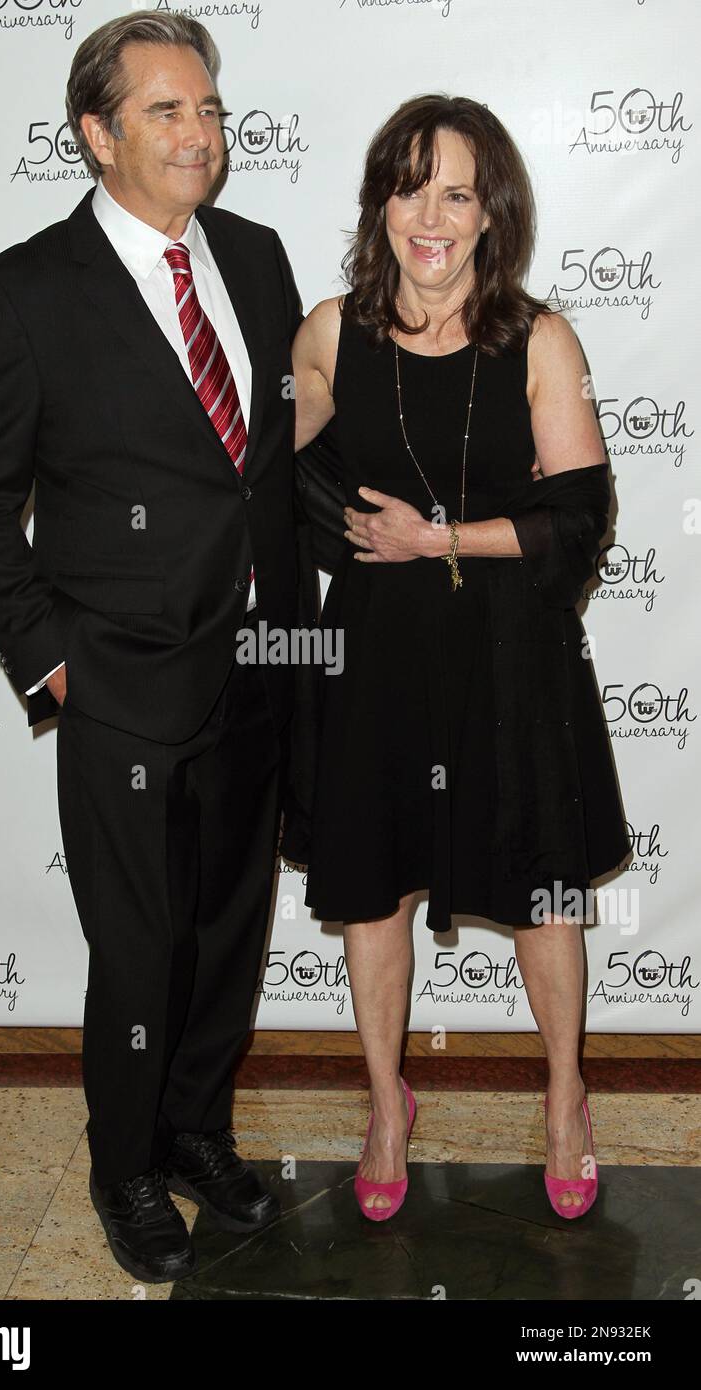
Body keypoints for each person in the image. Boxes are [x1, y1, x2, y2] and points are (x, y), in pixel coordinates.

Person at [0, 12, 306, 1283]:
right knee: (139, 943)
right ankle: (125, 1164)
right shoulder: (26, 292)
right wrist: (53, 660)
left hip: (258, 666)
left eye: (208, 106)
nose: (201, 132)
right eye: (166, 111)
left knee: (228, 928)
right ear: (97, 134)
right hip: (123, 686)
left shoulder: (255, 259)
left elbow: (267, 471)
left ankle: (197, 1128)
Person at [289, 96, 632, 1223]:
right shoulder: (331, 332)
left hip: (509, 656)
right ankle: (387, 1101)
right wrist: (353, 530)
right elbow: (275, 475)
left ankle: (567, 1093)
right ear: (379, 200)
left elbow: (580, 516)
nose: (428, 215)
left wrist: (437, 537)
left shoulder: (541, 339)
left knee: (540, 887)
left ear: (493, 214)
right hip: (378, 655)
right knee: (375, 891)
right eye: (408, 185)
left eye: (456, 191)